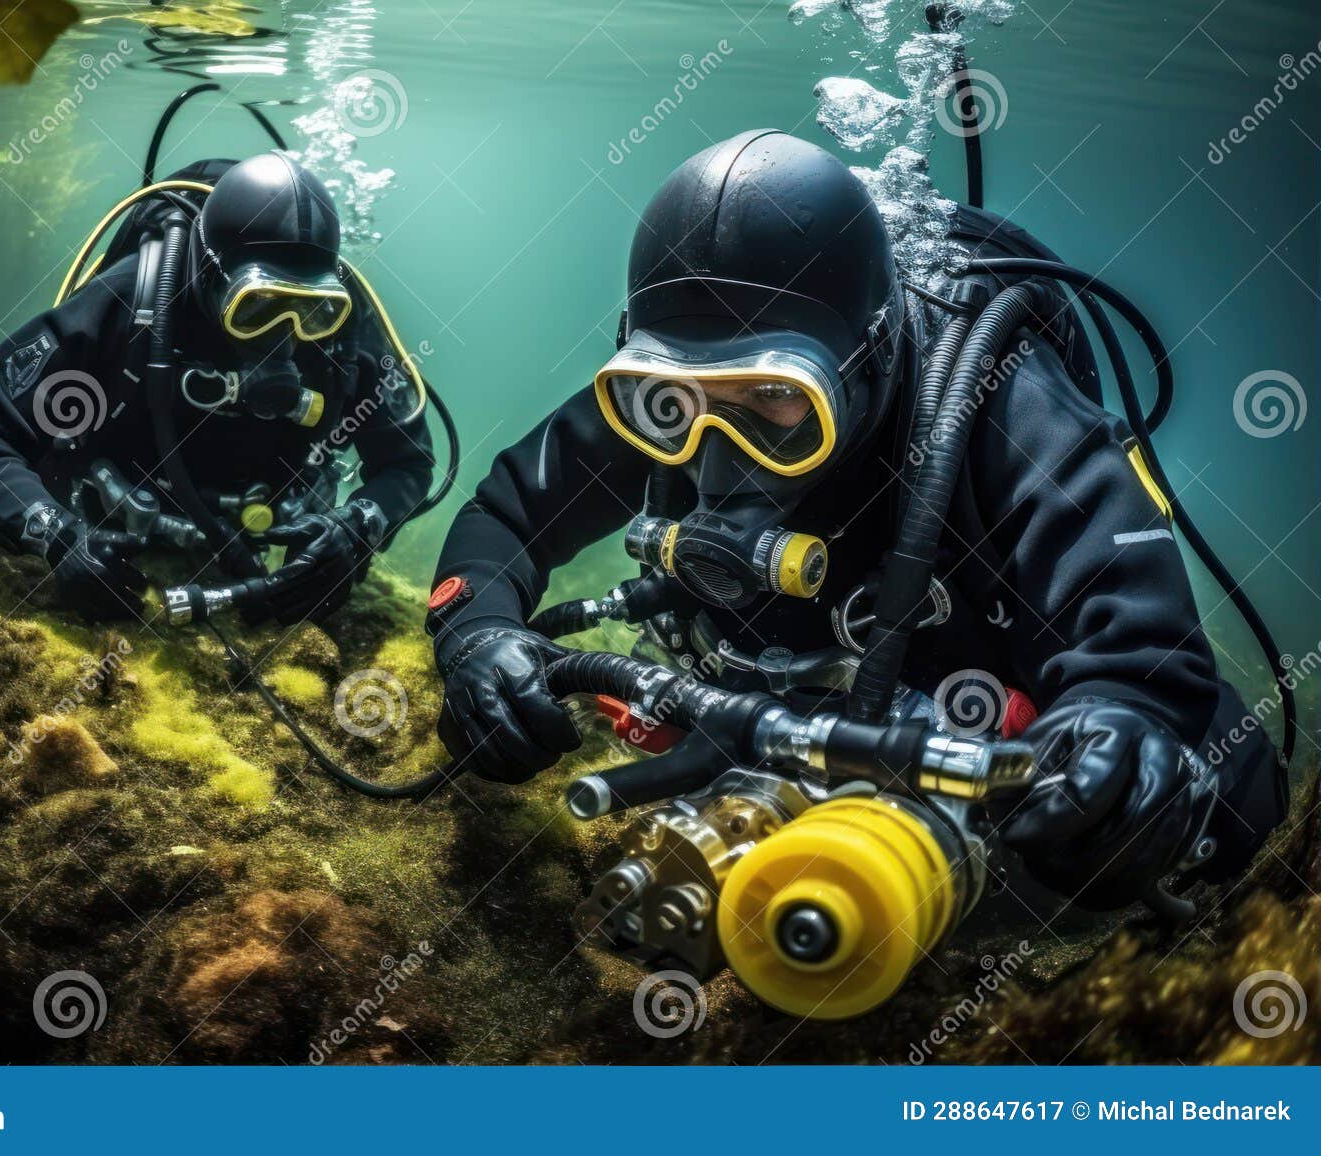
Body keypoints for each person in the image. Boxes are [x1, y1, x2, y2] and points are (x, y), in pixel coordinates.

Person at [426, 129, 1286, 909]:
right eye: (671, 405)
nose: (713, 456)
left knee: (1223, 788)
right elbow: (507, 516)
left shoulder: (1003, 405)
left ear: (867, 362)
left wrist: (1119, 742)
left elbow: (1143, 662)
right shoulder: (671, 394)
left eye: (775, 398)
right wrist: (476, 636)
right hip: (789, 709)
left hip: (973, 697)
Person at [0, 153, 435, 624]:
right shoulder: (130, 300)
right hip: (115, 476)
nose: (286, 337)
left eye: (313, 312)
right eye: (257, 306)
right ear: (211, 278)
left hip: (251, 506)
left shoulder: (347, 333)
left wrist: (357, 530)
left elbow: (408, 461)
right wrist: (57, 536)